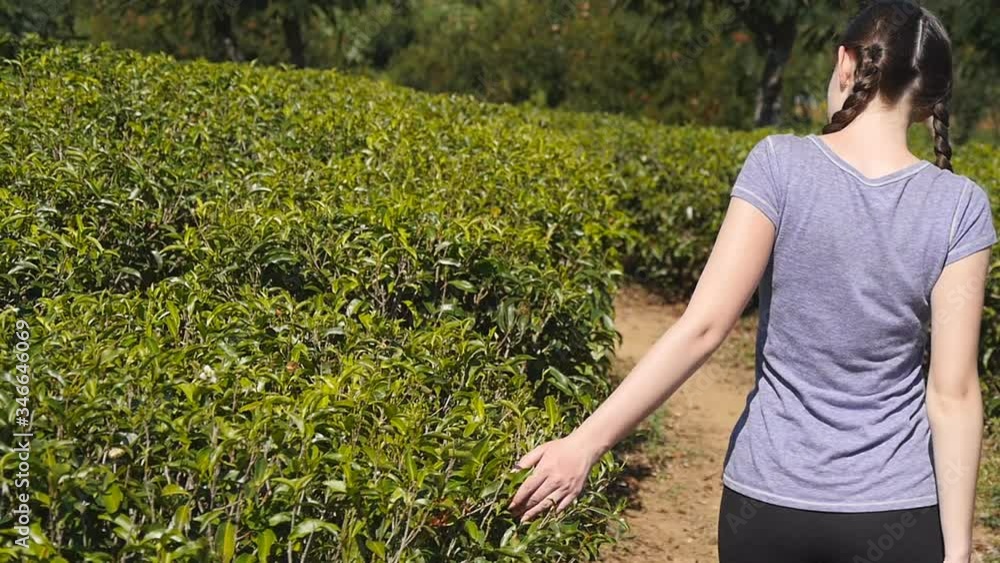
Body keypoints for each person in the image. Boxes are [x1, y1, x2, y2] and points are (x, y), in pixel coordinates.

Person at [505, 2, 998, 562]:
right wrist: (957, 551)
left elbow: (705, 327)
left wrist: (585, 443)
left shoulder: (778, 165)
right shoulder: (959, 205)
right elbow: (953, 393)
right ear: (933, 97)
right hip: (895, 509)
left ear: (846, 63)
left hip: (768, 504)